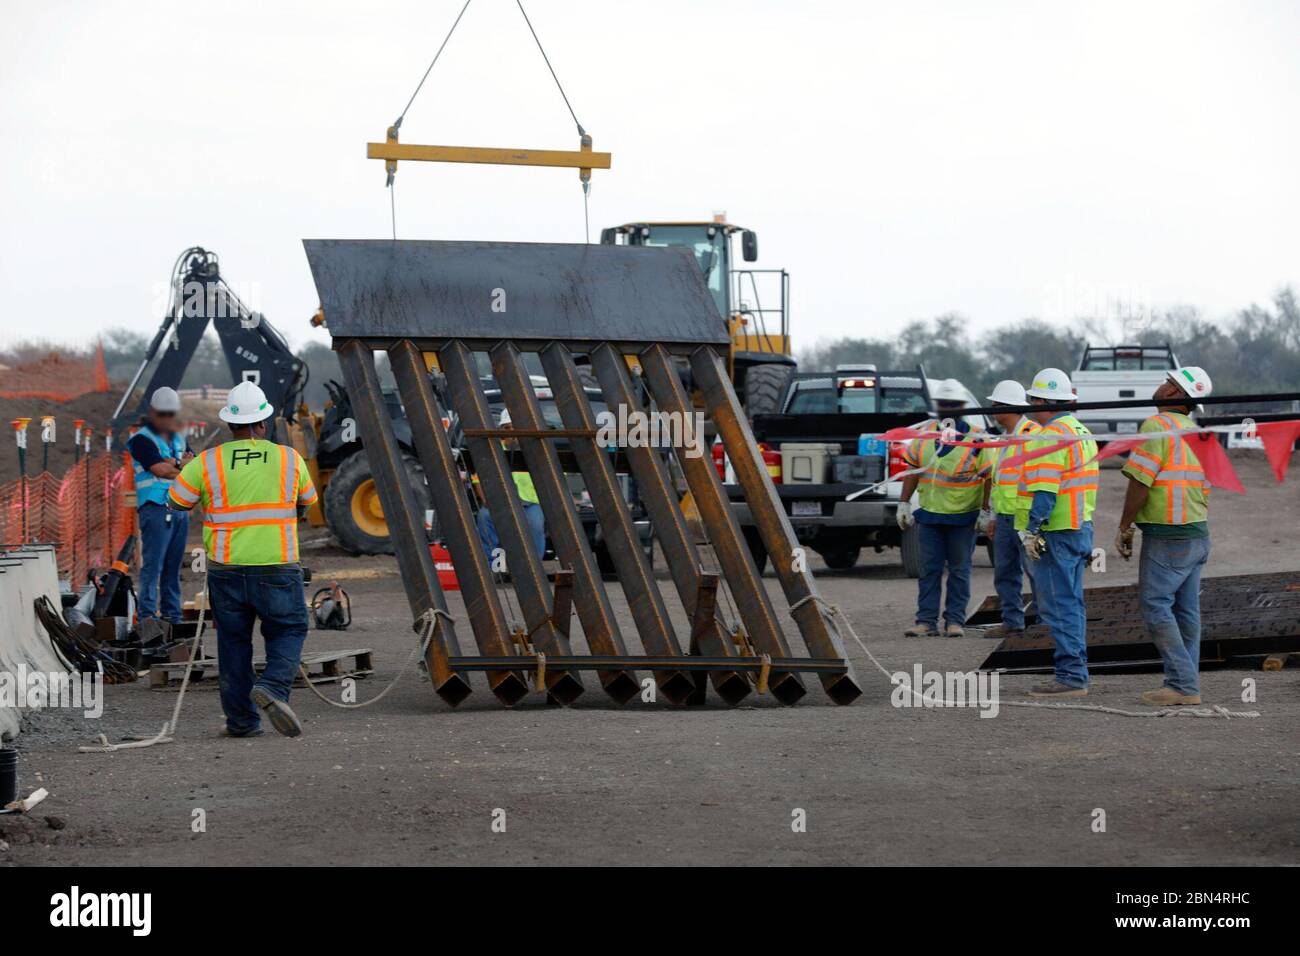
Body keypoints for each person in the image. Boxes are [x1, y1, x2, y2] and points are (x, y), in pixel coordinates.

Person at [167, 381, 317, 738]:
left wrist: (189, 472)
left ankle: (242, 722)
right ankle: (274, 688)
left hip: (226, 570)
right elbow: (307, 501)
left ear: (230, 425)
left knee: (234, 644)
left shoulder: (207, 462)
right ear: (263, 423)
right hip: (277, 565)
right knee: (289, 629)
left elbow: (175, 503)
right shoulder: (288, 458)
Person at [1115, 365, 1214, 706]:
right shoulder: (1199, 432)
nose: (1160, 386)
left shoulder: (1157, 426)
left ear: (1174, 392)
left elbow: (1141, 480)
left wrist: (1125, 525)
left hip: (1168, 534)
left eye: (1166, 382)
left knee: (1156, 605)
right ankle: (1185, 684)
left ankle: (1183, 685)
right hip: (1197, 532)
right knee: (1186, 610)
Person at [1016, 368, 1098, 697]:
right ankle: (1074, 670)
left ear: (1044, 400)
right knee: (1072, 603)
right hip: (1079, 528)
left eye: (1034, 399)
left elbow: (1046, 491)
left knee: (1057, 605)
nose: (1031, 406)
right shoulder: (1081, 431)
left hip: (1057, 532)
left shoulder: (1048, 435)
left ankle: (1071, 676)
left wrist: (1031, 530)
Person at [897, 380, 985, 637]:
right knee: (929, 570)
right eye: (944, 404)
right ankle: (926, 621)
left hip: (963, 516)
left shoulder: (977, 438)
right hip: (930, 515)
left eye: (953, 405)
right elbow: (912, 470)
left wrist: (986, 510)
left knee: (959, 571)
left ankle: (955, 621)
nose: (948, 409)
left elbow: (989, 477)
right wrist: (904, 502)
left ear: (962, 408)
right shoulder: (925, 435)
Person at [977, 380, 1040, 638]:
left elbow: (1040, 479)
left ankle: (1042, 624)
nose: (991, 410)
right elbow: (999, 479)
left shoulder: (1033, 435)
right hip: (1004, 518)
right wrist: (992, 515)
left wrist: (1036, 520)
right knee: (1005, 573)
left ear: (1008, 407)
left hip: (1026, 518)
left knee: (1036, 574)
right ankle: (1013, 622)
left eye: (995, 405)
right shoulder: (1005, 438)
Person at [127, 386, 193, 627]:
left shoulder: (179, 437)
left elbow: (192, 466)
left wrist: (173, 463)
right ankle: (147, 618)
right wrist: (179, 464)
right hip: (155, 507)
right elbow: (158, 469)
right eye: (163, 414)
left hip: (178, 508)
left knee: (173, 567)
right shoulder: (141, 440)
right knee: (153, 566)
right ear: (154, 412)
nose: (167, 418)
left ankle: (172, 616)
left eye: (170, 414)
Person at [474, 407, 547, 559]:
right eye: (507, 428)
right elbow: (477, 479)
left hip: (530, 503)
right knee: (484, 517)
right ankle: (494, 565)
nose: (512, 432)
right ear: (502, 431)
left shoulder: (534, 450)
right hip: (500, 502)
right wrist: (487, 501)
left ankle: (535, 565)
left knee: (535, 525)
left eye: (515, 427)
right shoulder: (493, 451)